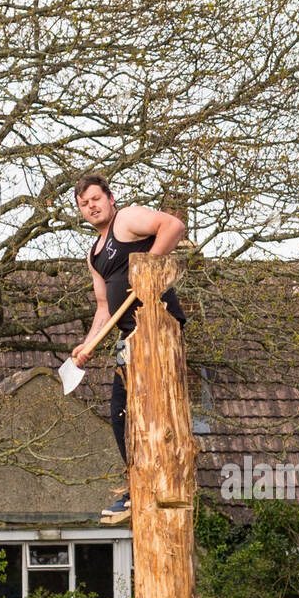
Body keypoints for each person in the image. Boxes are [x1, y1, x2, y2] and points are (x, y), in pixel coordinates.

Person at [72, 174, 188, 524]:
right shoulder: (94, 256)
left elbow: (173, 226)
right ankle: (138, 484)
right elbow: (104, 308)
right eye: (84, 204)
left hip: (156, 327)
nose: (91, 206)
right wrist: (89, 344)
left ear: (110, 198)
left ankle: (153, 483)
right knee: (121, 414)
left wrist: (147, 270)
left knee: (153, 414)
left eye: (95, 199)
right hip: (130, 338)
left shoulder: (127, 219)